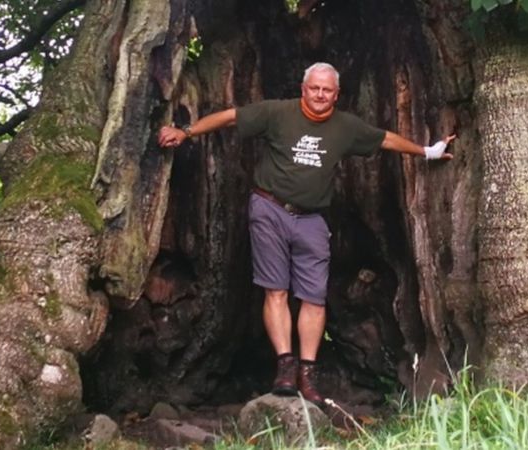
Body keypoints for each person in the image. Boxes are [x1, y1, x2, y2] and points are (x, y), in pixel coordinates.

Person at [158, 62, 455, 408]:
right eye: (314, 88)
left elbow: (385, 138)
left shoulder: (345, 126)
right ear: (304, 89)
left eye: (327, 90)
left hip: (311, 218)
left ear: (336, 94)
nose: (320, 95)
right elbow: (231, 117)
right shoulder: (277, 112)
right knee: (276, 290)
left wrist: (427, 151)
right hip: (269, 208)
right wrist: (187, 132)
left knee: (314, 297)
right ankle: (285, 366)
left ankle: (307, 373)